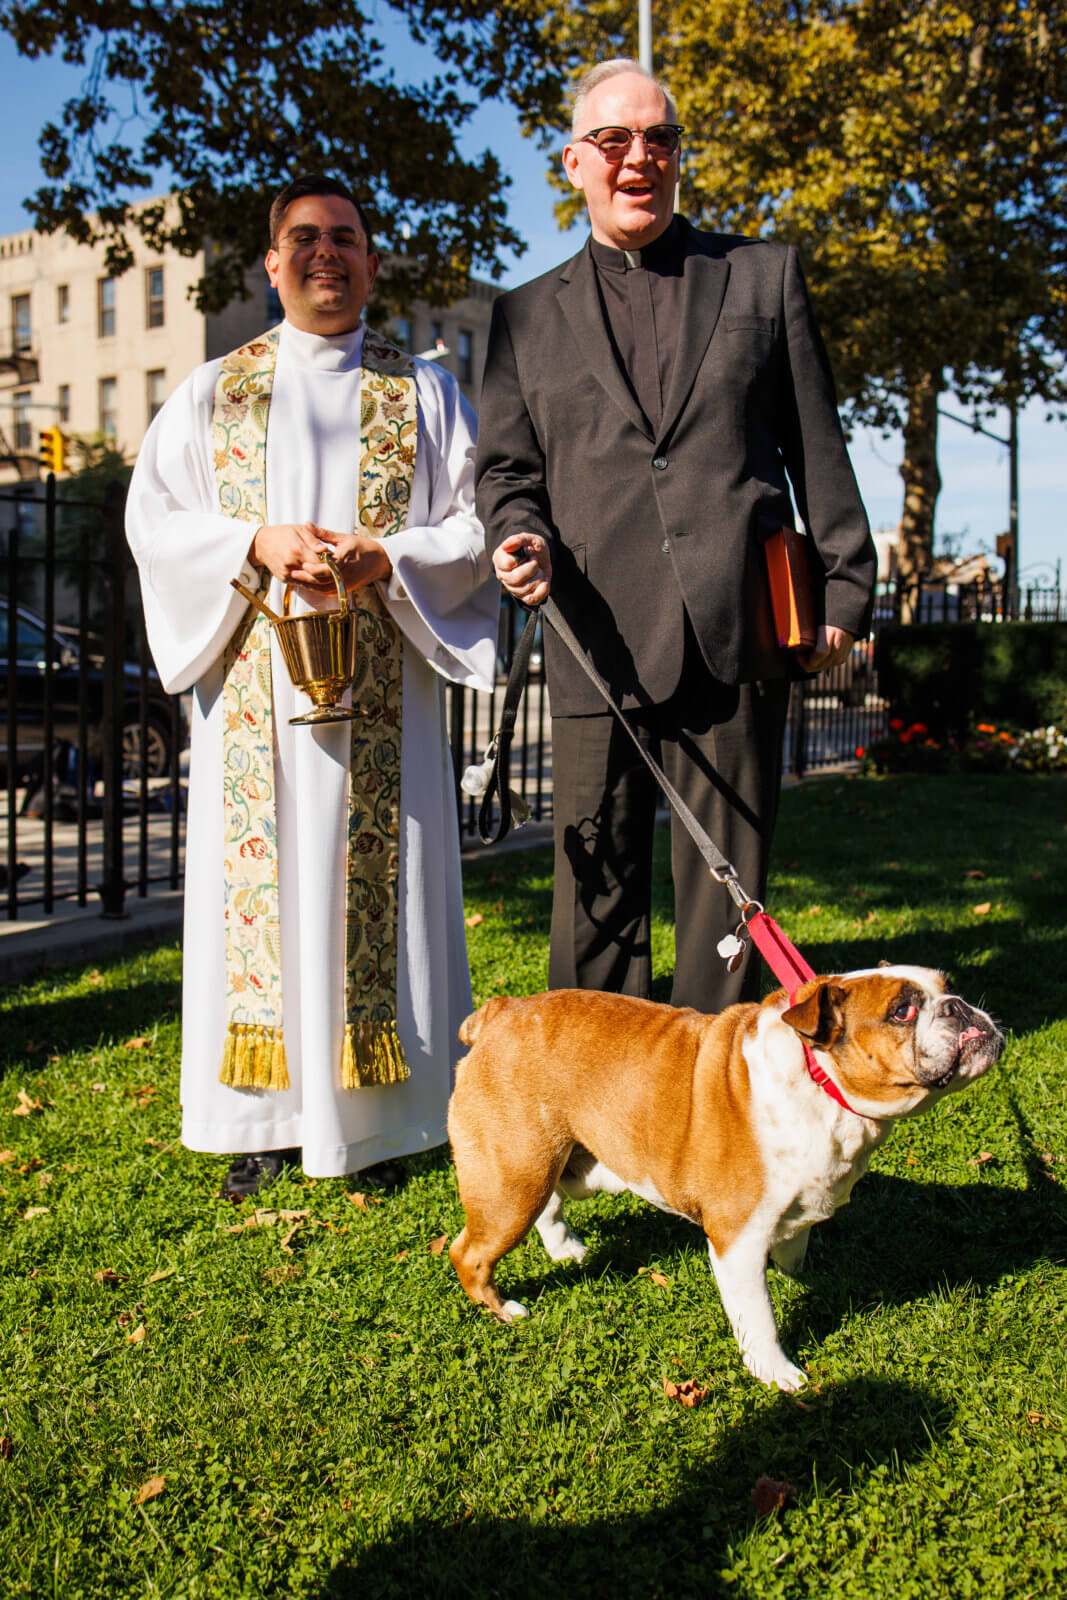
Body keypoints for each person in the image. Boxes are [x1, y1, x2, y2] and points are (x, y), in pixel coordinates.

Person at [476, 59, 875, 1012]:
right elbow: (506, 471)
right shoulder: (522, 316)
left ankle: (710, 1112)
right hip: (591, 632)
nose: (638, 158)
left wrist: (844, 593)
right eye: (613, 141)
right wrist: (515, 532)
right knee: (594, 892)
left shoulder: (761, 275)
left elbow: (817, 445)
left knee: (726, 912)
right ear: (574, 162)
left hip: (733, 628)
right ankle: (596, 1107)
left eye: (659, 139)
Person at [127, 175, 497, 1198]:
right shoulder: (213, 392)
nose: (324, 254)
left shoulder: (423, 392)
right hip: (257, 704)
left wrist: (389, 557)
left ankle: (382, 1121)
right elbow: (153, 524)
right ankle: (261, 1117)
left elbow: (475, 525)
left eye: (344, 238)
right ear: (270, 264)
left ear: (373, 265)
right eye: (303, 239)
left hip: (385, 709)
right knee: (266, 893)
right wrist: (254, 539)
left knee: (378, 888)